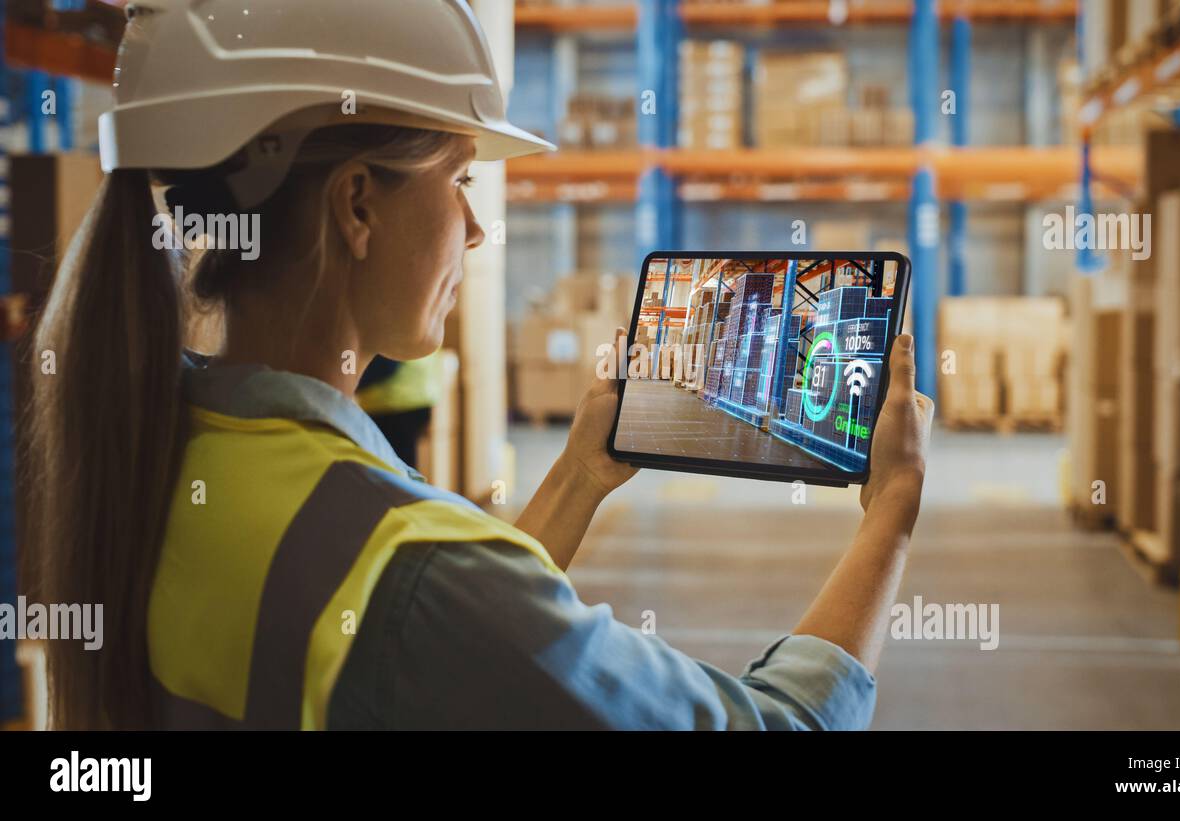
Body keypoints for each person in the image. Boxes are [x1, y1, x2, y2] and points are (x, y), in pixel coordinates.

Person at [25, 0, 933, 730]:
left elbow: (423, 653)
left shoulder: (162, 442)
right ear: (357, 208)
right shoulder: (404, 565)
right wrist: (890, 513)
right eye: (459, 177)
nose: (476, 226)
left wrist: (580, 474)